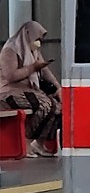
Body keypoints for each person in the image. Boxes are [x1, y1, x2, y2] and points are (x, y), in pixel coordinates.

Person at [0, 21, 60, 157]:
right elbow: (10, 76)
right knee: (44, 105)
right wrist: (32, 68)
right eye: (37, 38)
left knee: (56, 107)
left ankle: (39, 143)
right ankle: (27, 143)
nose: (38, 42)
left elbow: (45, 71)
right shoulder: (11, 50)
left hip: (28, 90)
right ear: (27, 34)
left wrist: (58, 87)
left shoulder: (33, 51)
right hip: (9, 92)